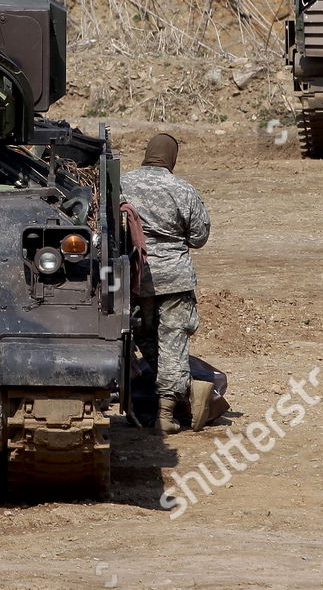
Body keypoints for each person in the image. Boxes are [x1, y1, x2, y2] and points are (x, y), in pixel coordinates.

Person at [120, 133, 211, 435]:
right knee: (173, 341)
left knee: (146, 339)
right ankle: (167, 412)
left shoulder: (122, 184)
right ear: (172, 157)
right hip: (175, 279)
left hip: (136, 278)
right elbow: (199, 237)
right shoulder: (182, 189)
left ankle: (159, 400)